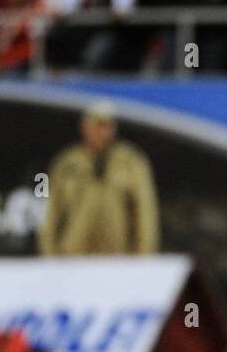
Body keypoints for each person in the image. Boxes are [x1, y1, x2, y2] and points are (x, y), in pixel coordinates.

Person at [39, 102, 160, 255]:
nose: (104, 132)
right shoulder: (66, 163)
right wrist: (48, 253)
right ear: (85, 127)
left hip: (118, 256)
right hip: (72, 256)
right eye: (99, 125)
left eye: (109, 126)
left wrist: (144, 254)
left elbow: (145, 211)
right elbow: (49, 211)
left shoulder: (131, 162)